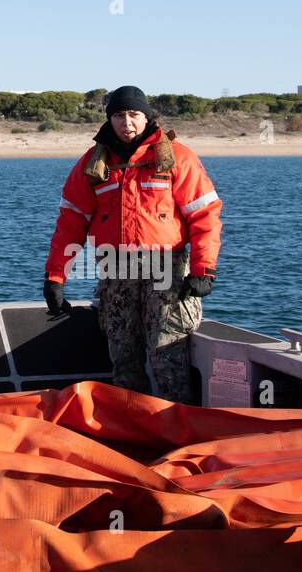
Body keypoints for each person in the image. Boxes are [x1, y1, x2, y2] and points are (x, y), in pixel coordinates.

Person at [43, 85, 222, 403]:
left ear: (147, 116)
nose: (127, 123)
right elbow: (70, 224)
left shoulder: (177, 158)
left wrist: (203, 268)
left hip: (166, 271)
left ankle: (175, 434)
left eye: (134, 115)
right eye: (118, 115)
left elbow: (205, 216)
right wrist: (56, 278)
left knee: (168, 358)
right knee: (123, 361)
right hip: (116, 271)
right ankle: (131, 433)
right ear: (109, 119)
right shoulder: (93, 163)